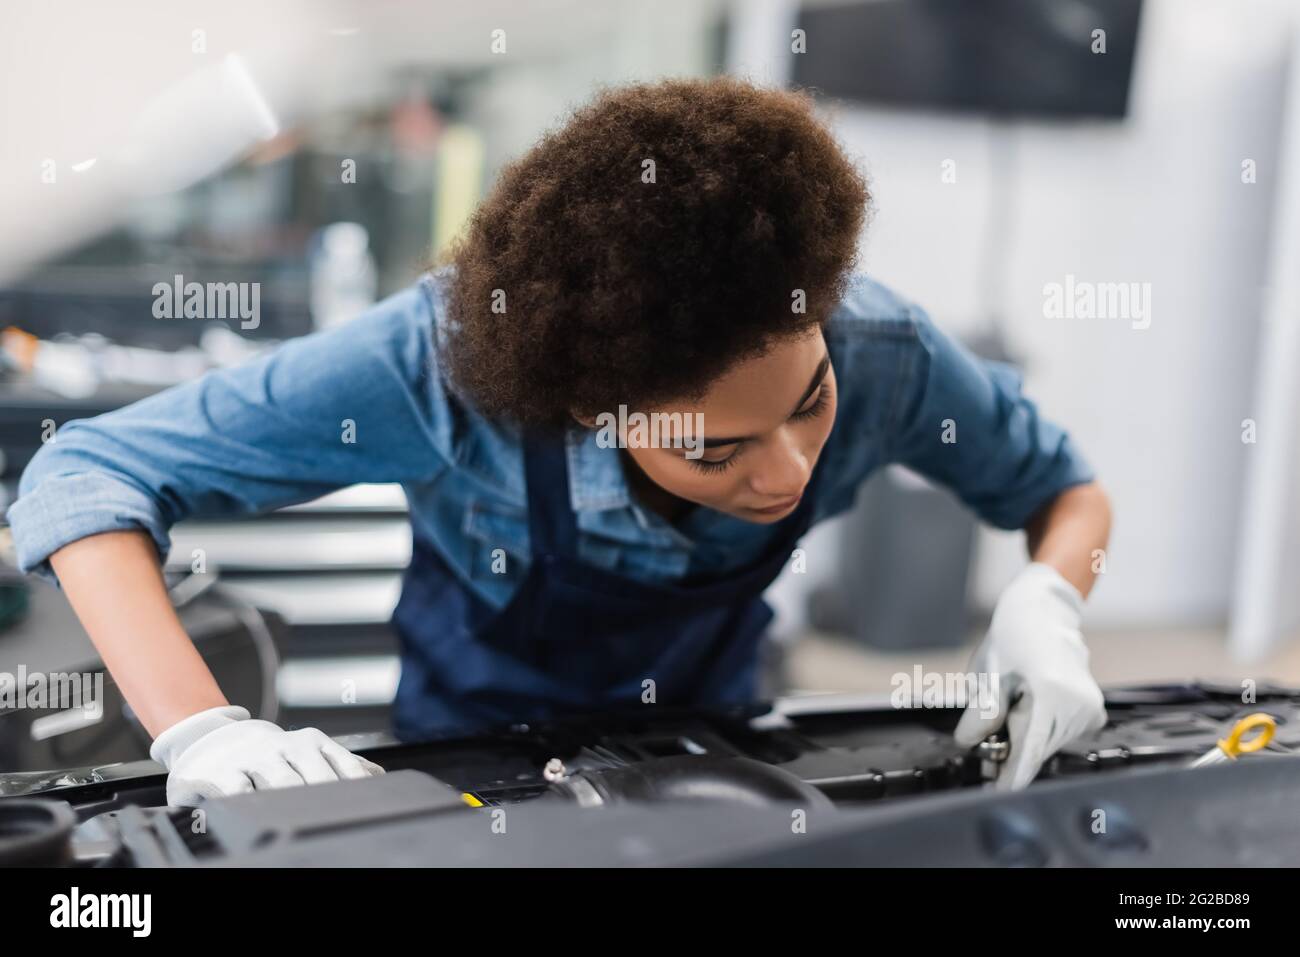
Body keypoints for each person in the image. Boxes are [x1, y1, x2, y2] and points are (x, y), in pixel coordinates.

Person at [8, 77, 1110, 804]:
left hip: (716, 735)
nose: (788, 472)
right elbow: (87, 468)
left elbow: (1066, 492)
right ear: (592, 407)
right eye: (716, 451)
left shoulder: (888, 352)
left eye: (809, 402)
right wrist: (197, 729)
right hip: (464, 751)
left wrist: (1048, 598)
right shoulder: (427, 366)